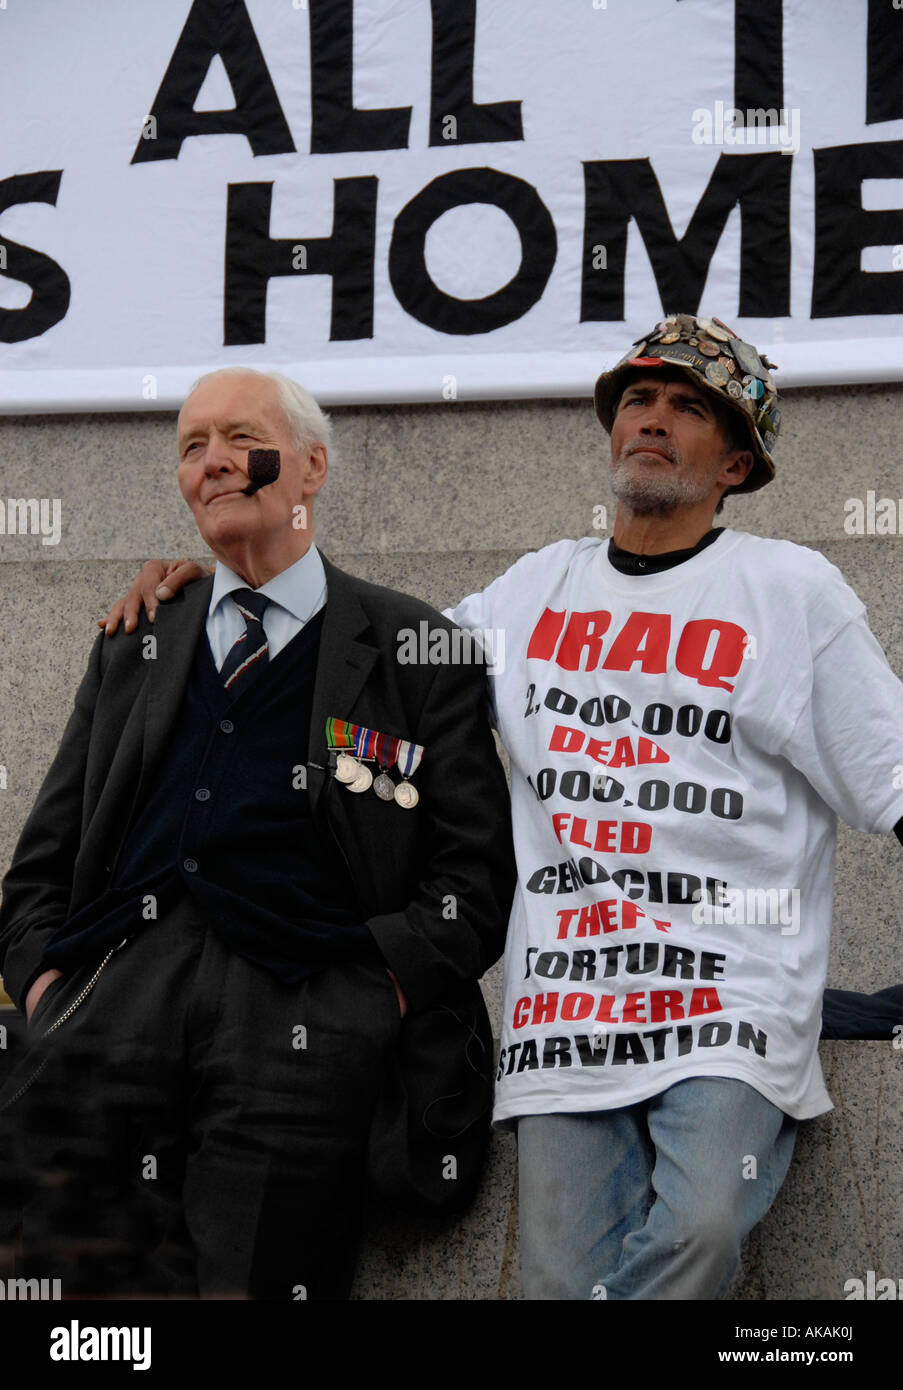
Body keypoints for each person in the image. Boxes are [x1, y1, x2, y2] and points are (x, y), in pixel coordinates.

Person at [98, 316, 903, 1301]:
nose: (653, 420)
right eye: (638, 400)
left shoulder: (792, 593)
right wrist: (225, 590)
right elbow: (377, 664)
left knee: (699, 1229)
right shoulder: (531, 591)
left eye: (689, 407)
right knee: (555, 1284)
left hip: (728, 997)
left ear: (736, 461)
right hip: (567, 1005)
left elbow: (892, 775)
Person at [0, 367, 515, 1300]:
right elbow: (45, 850)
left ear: (310, 467)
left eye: (240, 437)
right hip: (105, 1014)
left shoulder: (414, 650)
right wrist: (45, 982)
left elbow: (473, 882)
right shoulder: (136, 638)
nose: (213, 462)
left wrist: (374, 992)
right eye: (192, 446)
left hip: (303, 1029)